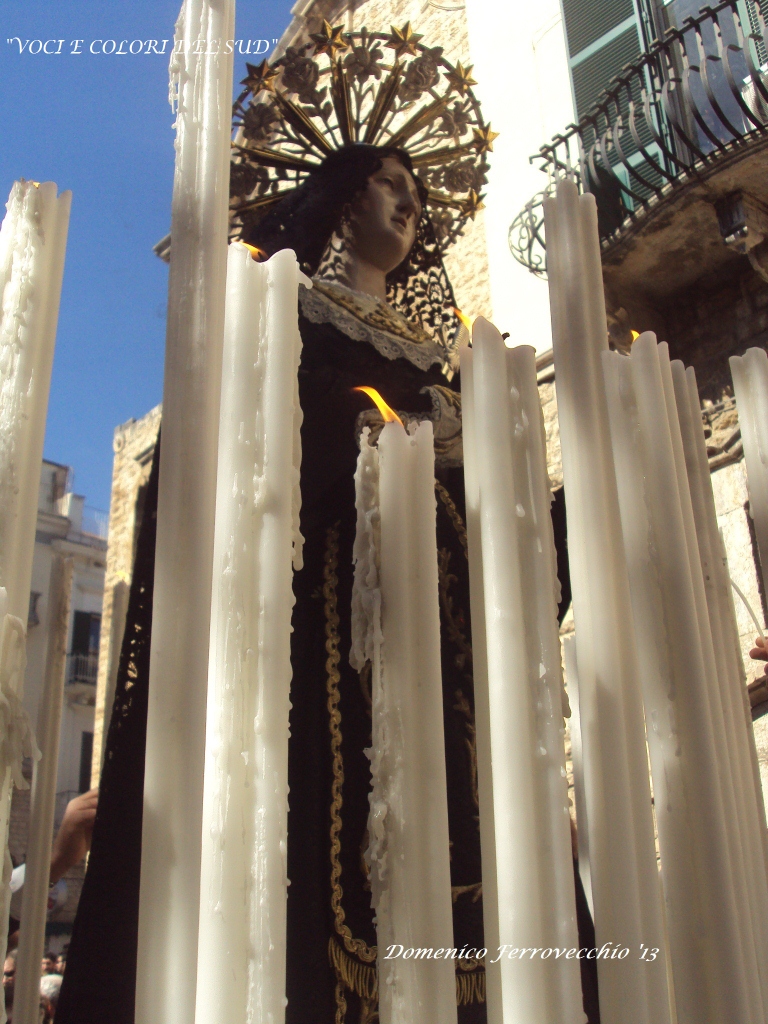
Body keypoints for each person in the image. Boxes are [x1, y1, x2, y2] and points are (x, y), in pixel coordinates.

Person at [56, 28, 583, 1024]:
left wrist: (546, 508)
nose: (410, 205)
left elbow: (497, 524)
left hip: (446, 648)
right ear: (343, 198)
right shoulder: (285, 311)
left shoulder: (443, 356)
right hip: (330, 633)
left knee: (478, 842)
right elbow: (245, 453)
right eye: (391, 185)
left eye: (418, 195)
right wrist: (379, 431)